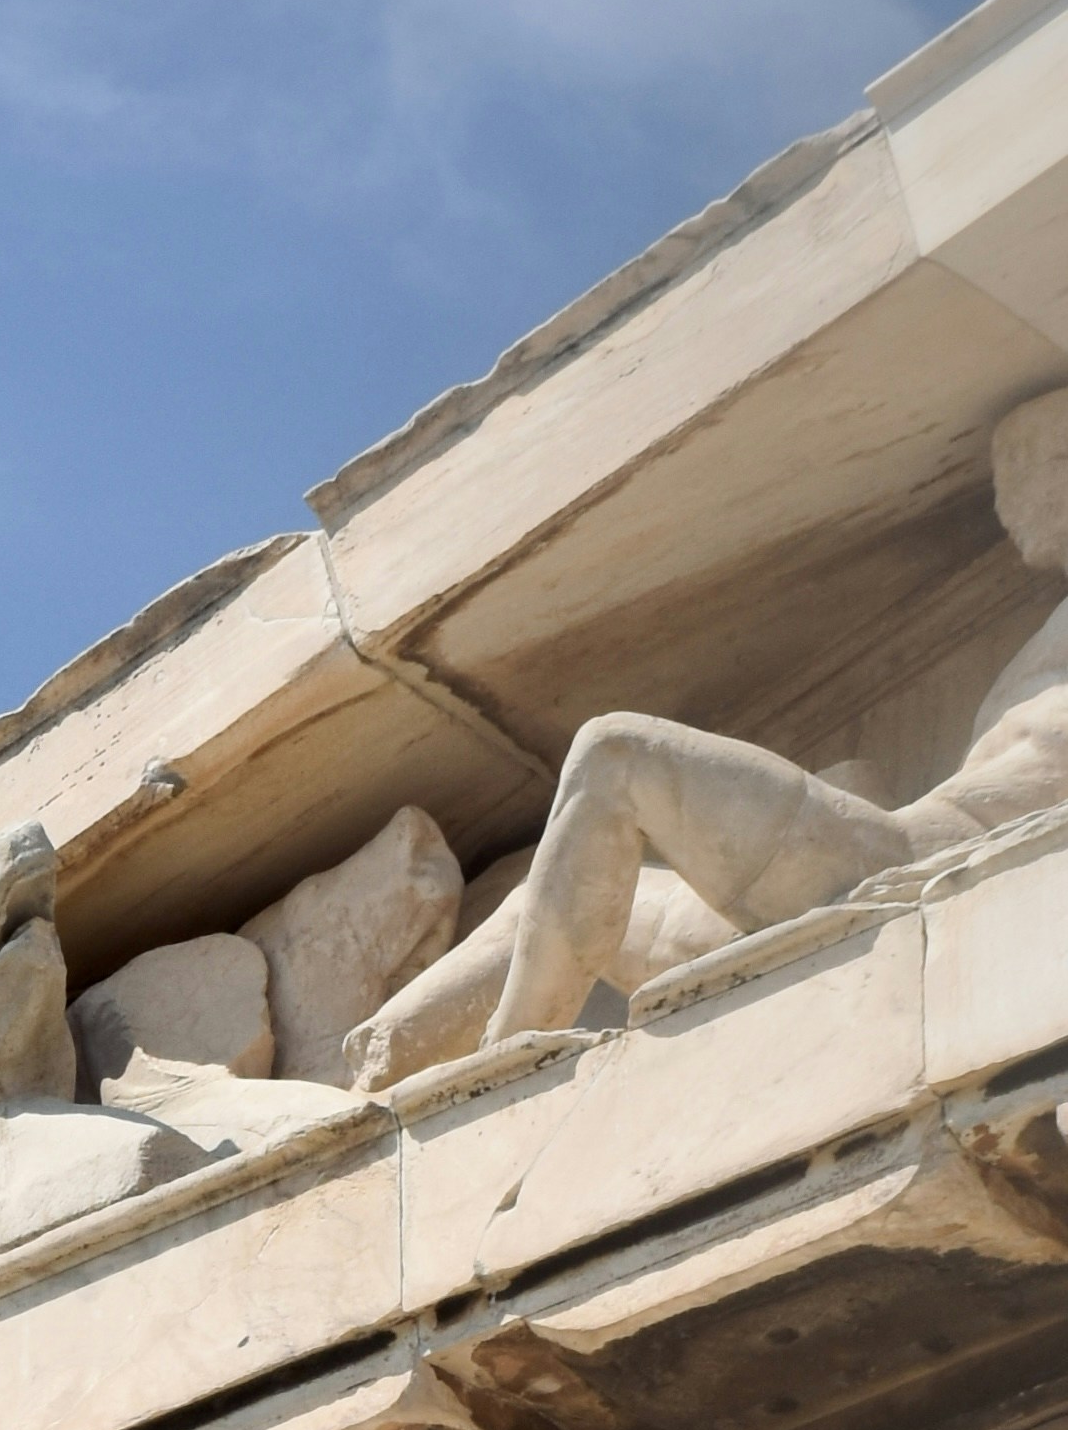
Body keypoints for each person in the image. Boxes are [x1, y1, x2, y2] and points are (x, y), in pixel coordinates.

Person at [349, 391, 1068, 1083]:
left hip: (895, 867)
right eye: (1010, 475)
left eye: (1045, 462)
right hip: (851, 871)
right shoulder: (1041, 646)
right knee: (529, 901)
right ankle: (356, 1091)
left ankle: (502, 1070)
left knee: (614, 755)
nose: (1011, 500)